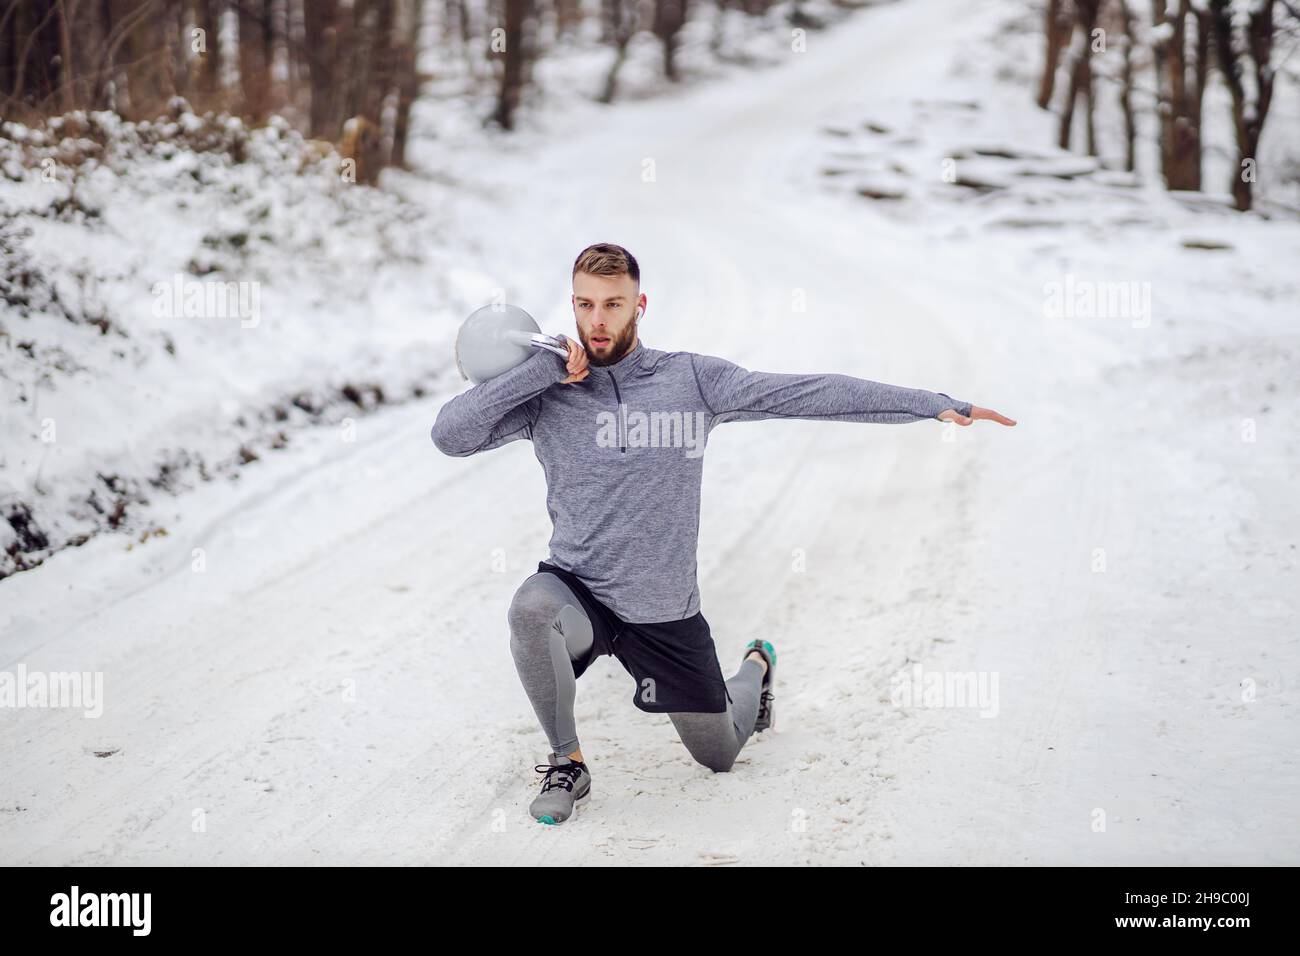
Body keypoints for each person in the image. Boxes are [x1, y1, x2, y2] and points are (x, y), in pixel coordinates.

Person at [430, 243, 1016, 824]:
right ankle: (567, 761)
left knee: (719, 754)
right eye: (585, 305)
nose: (598, 321)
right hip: (577, 590)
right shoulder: (548, 393)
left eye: (614, 304)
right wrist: (542, 369)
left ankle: (755, 671)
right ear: (572, 306)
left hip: (663, 610)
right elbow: (450, 435)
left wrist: (931, 404)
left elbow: (804, 394)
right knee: (531, 608)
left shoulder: (690, 380)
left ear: (640, 304)